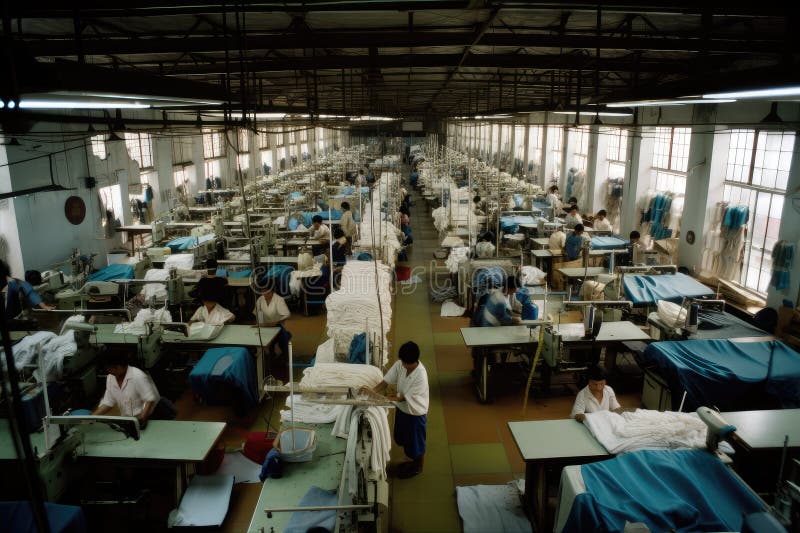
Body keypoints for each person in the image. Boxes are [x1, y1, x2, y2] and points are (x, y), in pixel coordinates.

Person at [361, 341, 429, 479]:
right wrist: (372, 391)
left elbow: (403, 398)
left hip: (415, 411)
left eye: (405, 363)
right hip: (402, 408)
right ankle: (410, 460)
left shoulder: (420, 376)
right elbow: (386, 381)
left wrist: (381, 398)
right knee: (402, 436)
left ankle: (418, 467)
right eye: (402, 361)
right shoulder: (401, 364)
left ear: (414, 361)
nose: (402, 365)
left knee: (416, 442)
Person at [92, 352, 175, 429]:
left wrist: (142, 419)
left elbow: (149, 400)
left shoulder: (138, 376)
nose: (110, 371)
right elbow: (108, 402)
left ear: (121, 366)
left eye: (113, 368)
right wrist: (92, 418)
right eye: (108, 369)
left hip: (151, 416)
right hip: (131, 419)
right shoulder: (111, 377)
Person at [254, 277, 292, 358]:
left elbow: (287, 314)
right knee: (259, 344)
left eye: (267, 291)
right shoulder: (260, 300)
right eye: (262, 291)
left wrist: (276, 322)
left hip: (277, 327)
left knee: (278, 348)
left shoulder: (278, 300)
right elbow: (259, 313)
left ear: (272, 291)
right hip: (264, 327)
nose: (264, 294)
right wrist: (260, 324)